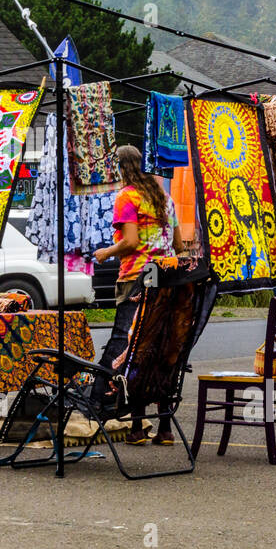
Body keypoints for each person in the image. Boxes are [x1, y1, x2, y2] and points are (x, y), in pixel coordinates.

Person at [92, 145, 183, 445]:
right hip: (166, 279)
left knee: (128, 347)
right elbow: (179, 247)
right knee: (159, 348)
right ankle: (165, 429)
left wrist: (107, 251)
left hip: (137, 279)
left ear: (120, 169)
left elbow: (130, 241)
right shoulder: (164, 198)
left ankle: (125, 420)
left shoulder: (127, 197)